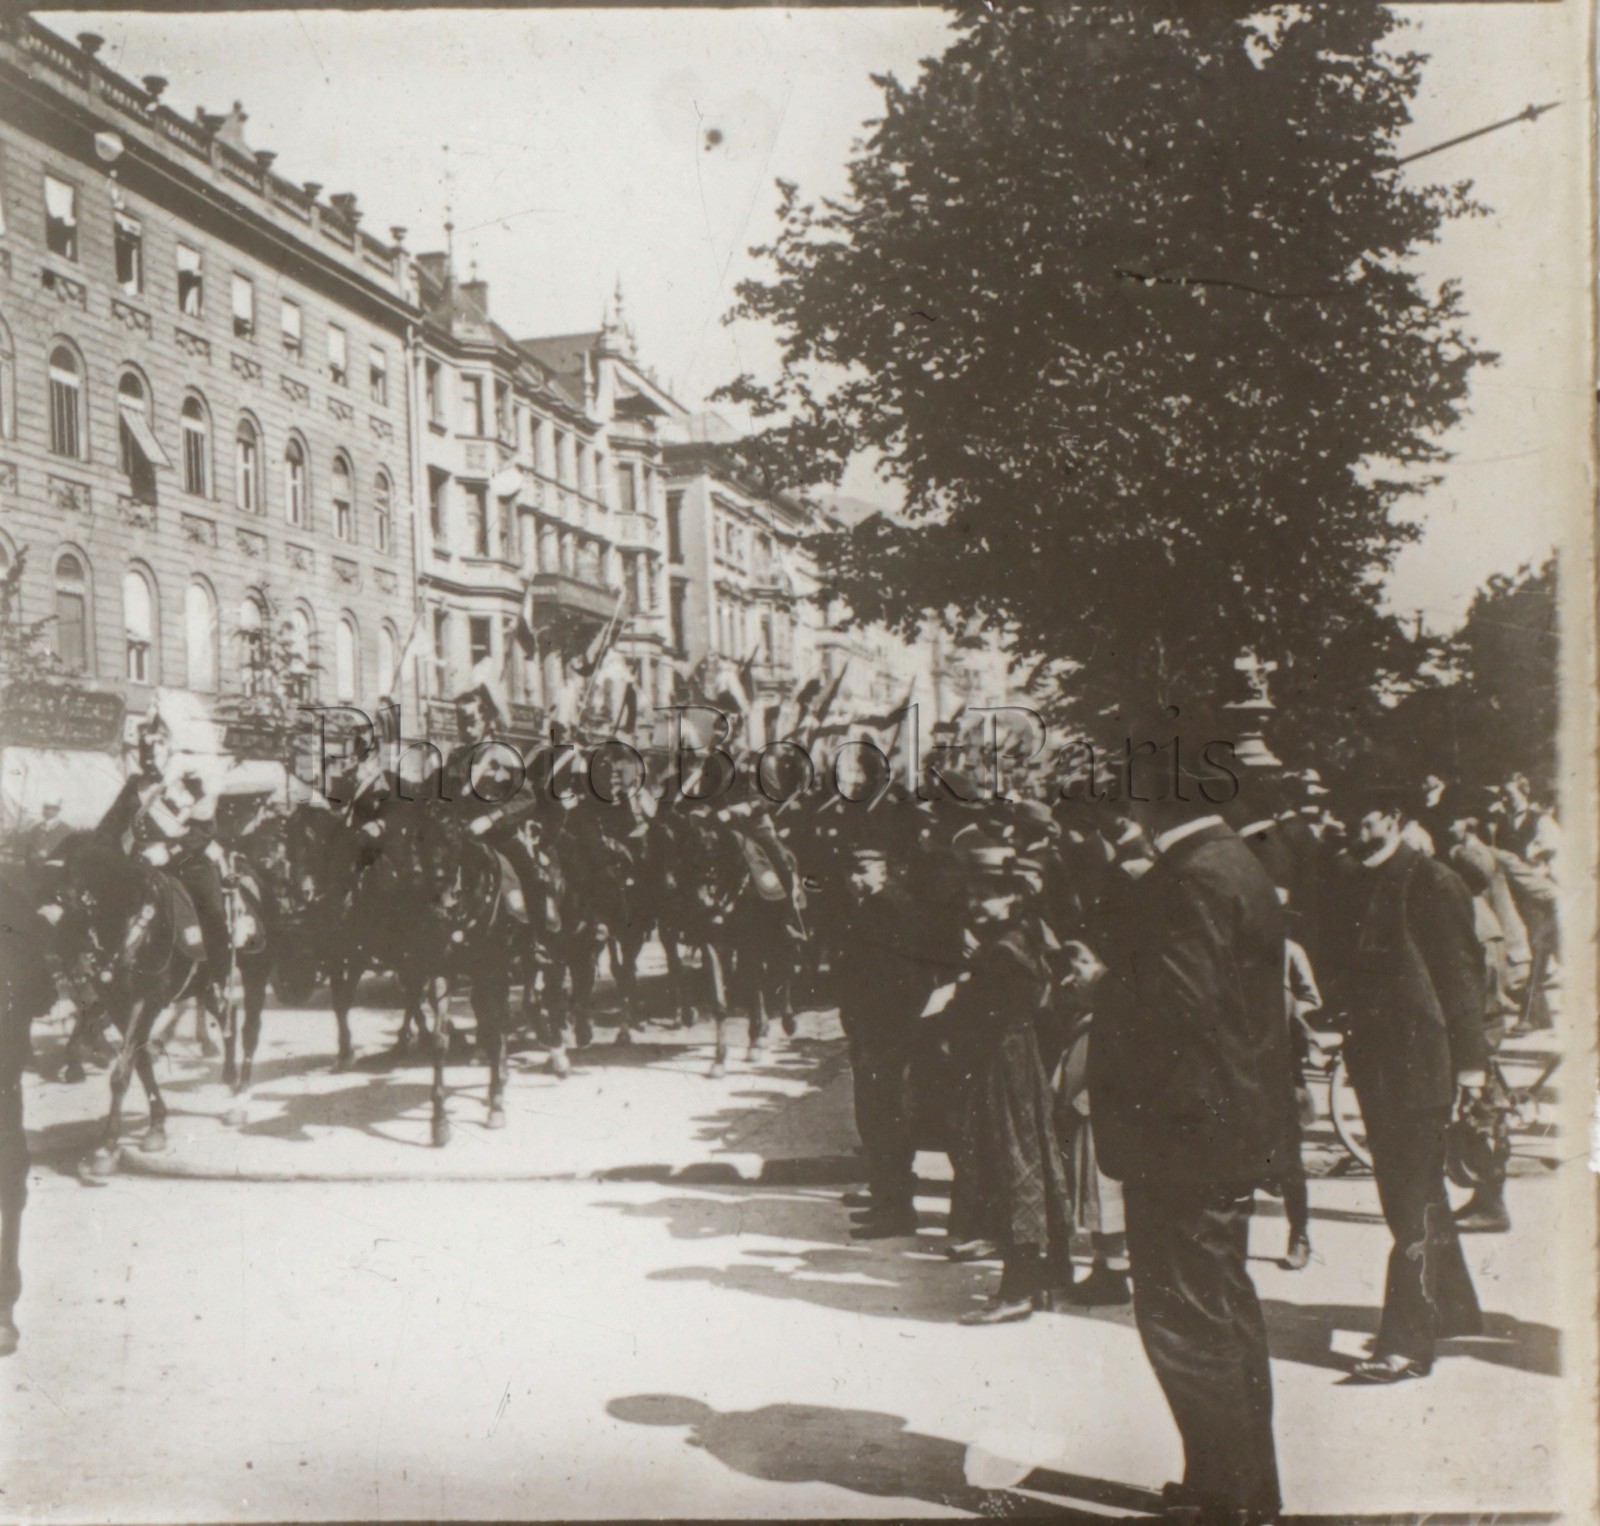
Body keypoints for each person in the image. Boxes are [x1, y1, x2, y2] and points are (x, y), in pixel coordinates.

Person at [1089, 737, 1289, 1526]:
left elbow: (1176, 1013)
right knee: (1222, 1311)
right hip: (1221, 1128)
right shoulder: (1231, 863)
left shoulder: (1190, 880)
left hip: (1182, 1138)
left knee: (1184, 1319)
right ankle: (1231, 1484)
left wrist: (1101, 986)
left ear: (1146, 804)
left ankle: (1231, 1501)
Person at [1334, 784, 1487, 1382]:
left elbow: (1460, 977)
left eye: (1363, 817)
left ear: (1395, 818)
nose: (1352, 828)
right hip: (1378, 1064)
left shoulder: (1431, 881)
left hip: (1422, 1065)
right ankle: (1455, 1308)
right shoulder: (1357, 878)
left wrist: (1471, 1066)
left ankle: (1406, 1344)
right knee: (1413, 1191)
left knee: (1410, 1202)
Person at [941, 836, 1073, 1325]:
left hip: (1001, 1063)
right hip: (1019, 1062)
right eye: (974, 893)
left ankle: (1017, 1290)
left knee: (1008, 1164)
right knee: (1029, 1161)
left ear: (1013, 895)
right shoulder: (1025, 935)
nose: (977, 902)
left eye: (988, 893)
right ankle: (1046, 1278)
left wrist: (957, 1004)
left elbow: (984, 1013)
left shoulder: (1003, 950)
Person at [833, 841, 931, 1238]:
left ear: (882, 870)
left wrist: (888, 1027)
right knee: (876, 1120)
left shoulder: (889, 907)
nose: (854, 880)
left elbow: (904, 979)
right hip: (873, 1030)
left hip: (885, 1033)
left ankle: (896, 1211)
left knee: (885, 1120)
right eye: (852, 872)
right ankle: (885, 1201)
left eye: (864, 870)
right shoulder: (874, 905)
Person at [1048, 939, 1131, 1306]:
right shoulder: (1087, 1015)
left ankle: (1114, 1274)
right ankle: (1103, 1265)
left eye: (1079, 965)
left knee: (1105, 1195)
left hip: (1103, 1121)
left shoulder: (1113, 1019)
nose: (1070, 979)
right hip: (1085, 1120)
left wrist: (1078, 1105)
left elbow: (1112, 1075)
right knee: (1093, 1197)